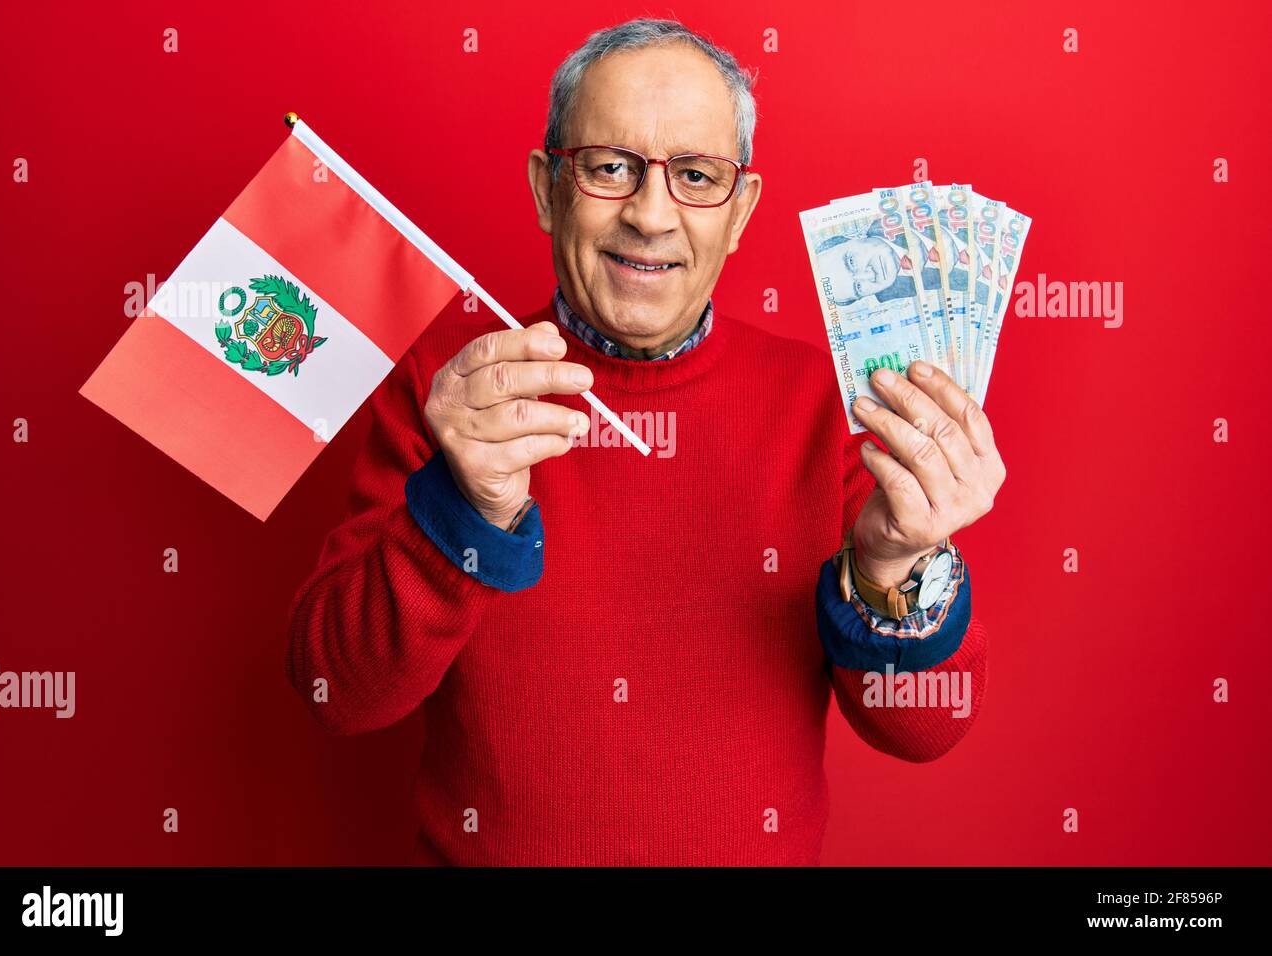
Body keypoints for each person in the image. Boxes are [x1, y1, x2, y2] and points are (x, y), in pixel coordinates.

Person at [285, 17, 1006, 866]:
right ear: (547, 188)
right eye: (610, 168)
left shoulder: (826, 403)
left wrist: (894, 568)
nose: (651, 215)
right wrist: (464, 512)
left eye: (696, 176)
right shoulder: (455, 390)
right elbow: (338, 691)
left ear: (740, 213)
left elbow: (925, 729)